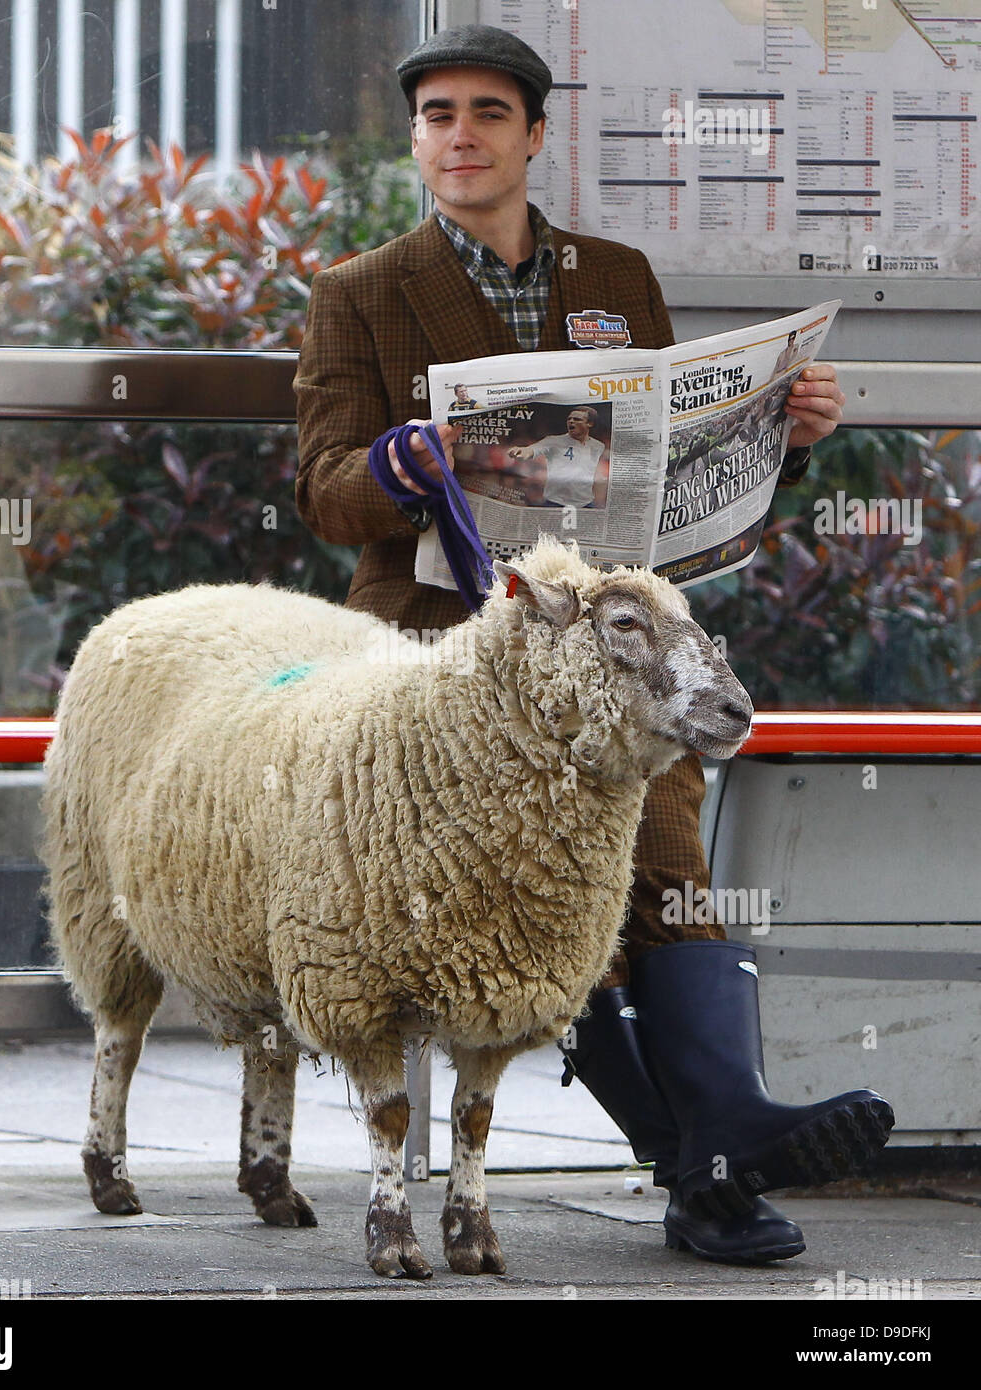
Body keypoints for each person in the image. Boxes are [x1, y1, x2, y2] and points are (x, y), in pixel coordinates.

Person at [294, 24, 892, 1265]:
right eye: (438, 115)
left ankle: (713, 1143)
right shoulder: (358, 291)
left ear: (534, 134)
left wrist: (780, 434)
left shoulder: (612, 275)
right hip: (447, 656)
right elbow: (320, 492)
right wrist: (400, 467)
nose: (459, 135)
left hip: (613, 649)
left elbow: (666, 465)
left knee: (662, 856)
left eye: (487, 114)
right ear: (417, 138)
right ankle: (712, 1170)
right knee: (533, 909)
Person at [508, 406, 610, 507]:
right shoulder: (554, 441)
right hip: (555, 502)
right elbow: (534, 449)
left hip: (585, 503)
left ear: (589, 423)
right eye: (569, 419)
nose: (571, 421)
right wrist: (523, 451)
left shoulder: (598, 446)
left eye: (577, 419)